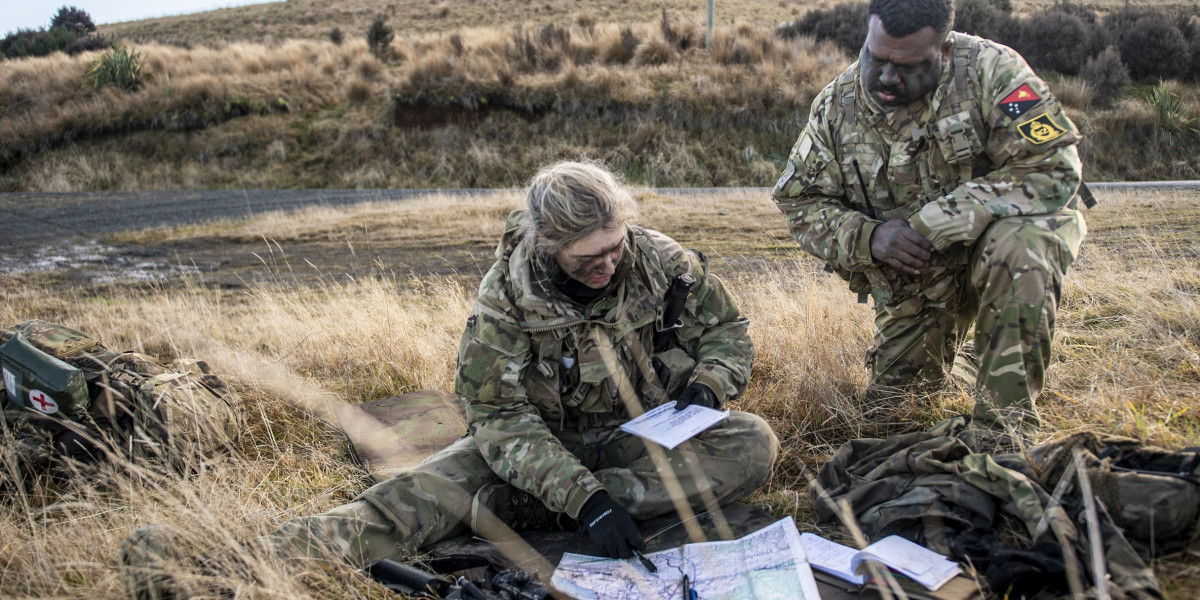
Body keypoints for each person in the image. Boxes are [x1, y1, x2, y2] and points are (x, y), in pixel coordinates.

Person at [121, 160, 778, 594]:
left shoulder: (664, 260)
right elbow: (499, 419)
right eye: (588, 259)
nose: (608, 265)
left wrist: (710, 385)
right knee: (405, 501)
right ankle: (203, 569)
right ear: (549, 246)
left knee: (752, 444)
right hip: (529, 451)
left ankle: (538, 508)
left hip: (639, 436)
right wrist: (584, 500)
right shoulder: (506, 296)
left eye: (615, 248)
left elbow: (728, 330)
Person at [771, 0, 1088, 443]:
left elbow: (1055, 167)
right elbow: (798, 201)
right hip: (918, 283)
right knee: (890, 417)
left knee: (1024, 248)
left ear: (942, 51)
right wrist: (870, 237)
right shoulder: (836, 107)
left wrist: (938, 221)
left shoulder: (993, 72)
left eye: (906, 66)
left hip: (996, 248)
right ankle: (966, 363)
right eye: (875, 58)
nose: (885, 77)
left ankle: (1003, 434)